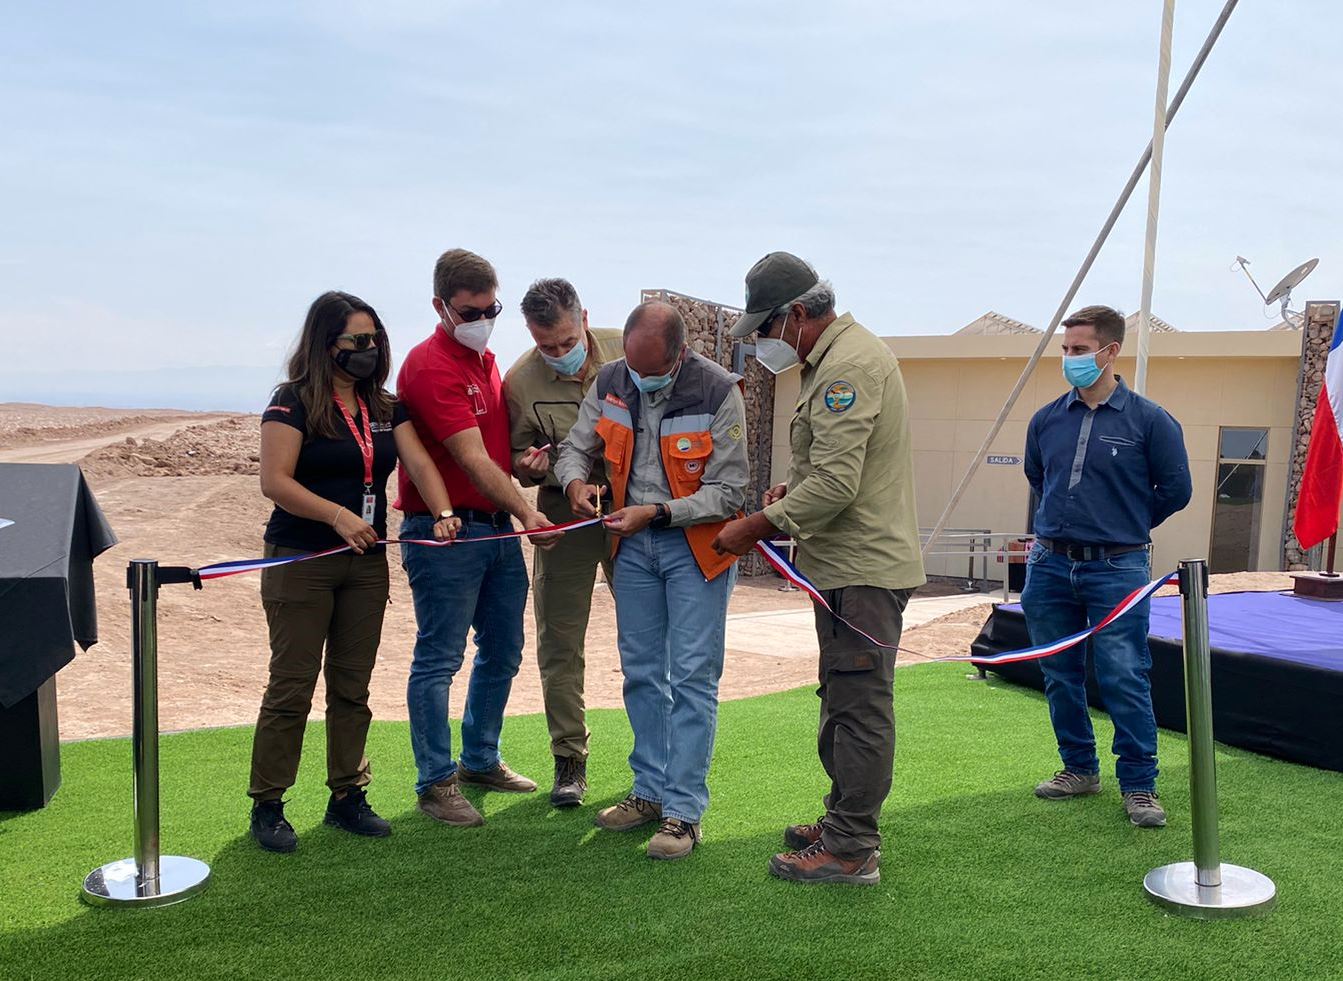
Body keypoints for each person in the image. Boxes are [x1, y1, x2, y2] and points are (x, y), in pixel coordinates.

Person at [712, 252, 925, 886]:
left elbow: (837, 482)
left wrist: (753, 528)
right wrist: (790, 490)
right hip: (846, 565)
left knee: (858, 704)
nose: (763, 347)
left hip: (862, 570)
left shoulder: (848, 366)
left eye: (766, 331)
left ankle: (853, 847)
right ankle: (842, 822)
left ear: (798, 314)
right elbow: (830, 474)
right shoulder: (837, 357)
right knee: (841, 696)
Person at [250, 290, 461, 853]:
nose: (369, 350)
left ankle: (348, 794)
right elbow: (276, 482)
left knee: (352, 687)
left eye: (375, 340)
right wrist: (339, 516)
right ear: (326, 344)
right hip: (302, 560)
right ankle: (269, 804)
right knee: (292, 686)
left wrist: (444, 514)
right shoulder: (291, 402)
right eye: (356, 341)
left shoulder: (386, 408)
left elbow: (418, 462)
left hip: (365, 566)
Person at [556, 300, 748, 860]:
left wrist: (659, 513)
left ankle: (683, 812)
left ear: (680, 353)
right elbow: (576, 447)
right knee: (641, 672)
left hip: (695, 549)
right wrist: (574, 484)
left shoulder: (718, 391)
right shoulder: (611, 379)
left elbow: (730, 491)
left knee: (691, 676)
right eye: (633, 368)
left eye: (653, 370)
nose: (640, 380)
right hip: (632, 550)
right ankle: (648, 790)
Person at [396, 249, 562, 829]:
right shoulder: (430, 364)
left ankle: (479, 759)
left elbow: (493, 457)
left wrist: (527, 468)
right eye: (471, 310)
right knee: (439, 658)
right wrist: (528, 513)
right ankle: (435, 782)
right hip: (445, 533)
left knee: (503, 651)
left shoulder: (487, 361)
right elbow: (466, 457)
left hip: (492, 528)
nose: (484, 317)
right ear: (441, 306)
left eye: (492, 307)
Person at [1020, 304, 1191, 828]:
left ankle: (1139, 785)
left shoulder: (1151, 421)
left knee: (1123, 675)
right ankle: (1079, 768)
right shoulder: (1047, 419)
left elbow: (1176, 491)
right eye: (1066, 350)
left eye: (1078, 350)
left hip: (1117, 568)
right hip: (1049, 565)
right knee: (1058, 672)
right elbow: (1037, 477)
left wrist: (1123, 525)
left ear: (1110, 351)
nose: (1069, 359)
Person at [503, 278, 624, 808]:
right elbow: (517, 460)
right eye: (545, 345)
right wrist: (530, 468)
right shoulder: (519, 380)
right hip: (562, 519)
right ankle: (569, 761)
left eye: (566, 341)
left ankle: (662, 757)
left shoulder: (627, 348)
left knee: (649, 635)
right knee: (559, 642)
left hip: (633, 513)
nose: (558, 354)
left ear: (585, 319)